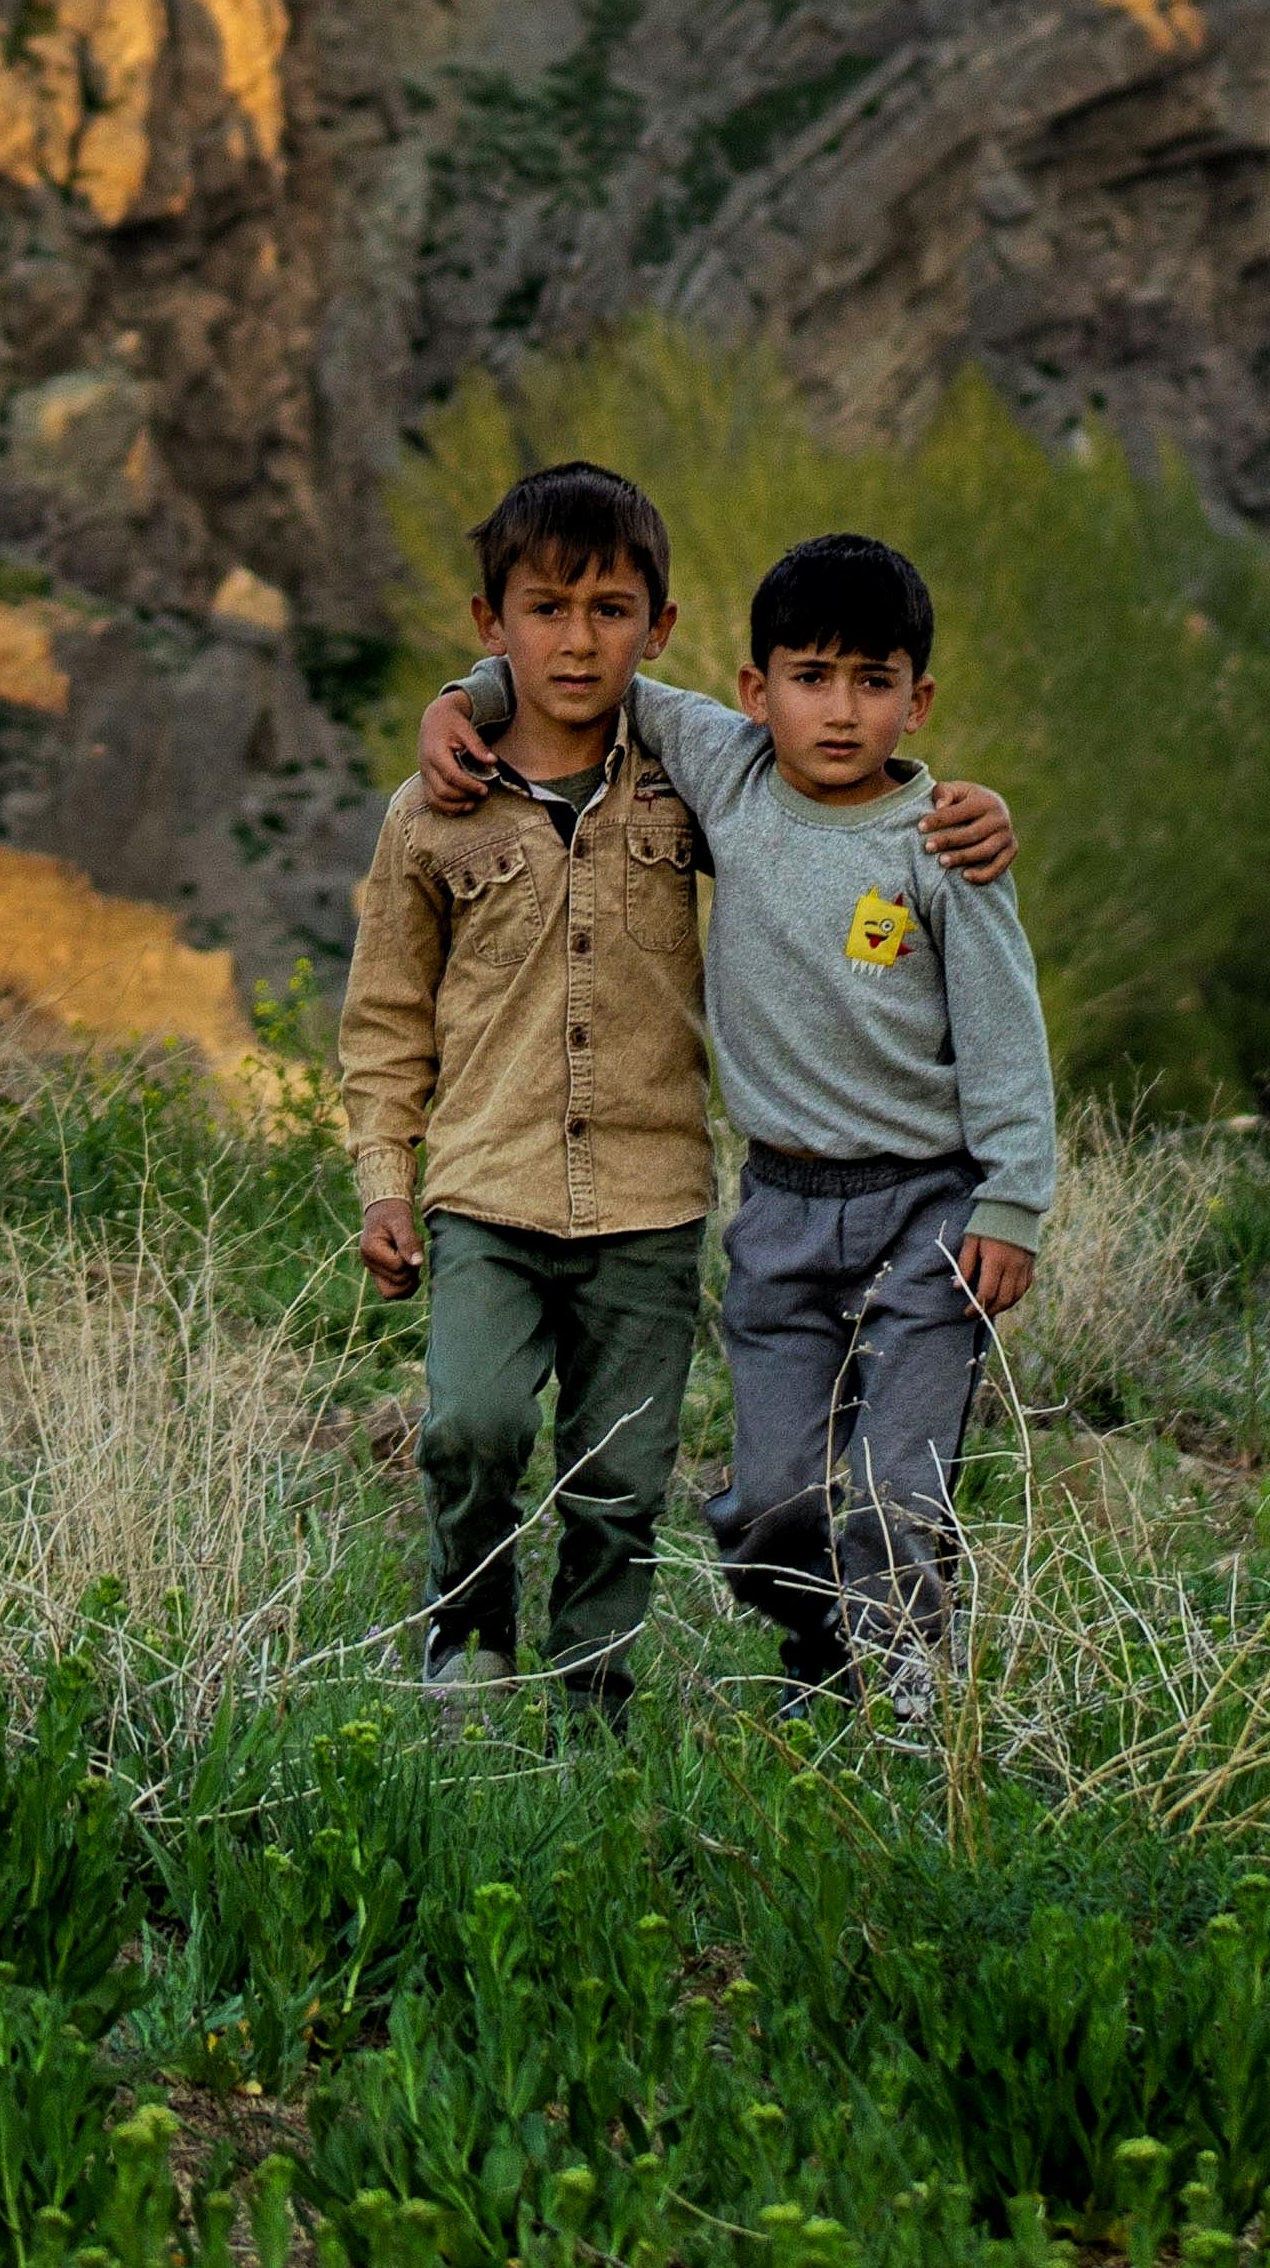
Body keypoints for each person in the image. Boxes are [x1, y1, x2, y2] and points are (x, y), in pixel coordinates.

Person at [341, 460, 1016, 1718]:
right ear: (494, 625)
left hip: (653, 1195)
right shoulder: (429, 812)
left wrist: (963, 814)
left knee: (624, 1471)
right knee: (472, 1427)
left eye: (611, 610)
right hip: (487, 1180)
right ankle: (468, 1633)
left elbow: (838, 811)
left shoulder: (700, 778)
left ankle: (597, 1684)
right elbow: (383, 1021)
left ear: (657, 631)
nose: (577, 638)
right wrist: (385, 1176)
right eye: (545, 609)